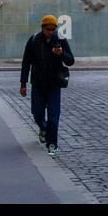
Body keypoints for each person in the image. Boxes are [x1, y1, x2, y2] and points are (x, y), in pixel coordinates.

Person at [20, 15, 75, 156]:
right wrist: (23, 83)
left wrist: (61, 53)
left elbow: (70, 61)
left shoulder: (60, 40)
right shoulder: (33, 40)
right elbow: (26, 62)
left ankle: (52, 144)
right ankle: (43, 128)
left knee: (53, 116)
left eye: (53, 29)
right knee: (37, 113)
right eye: (48, 29)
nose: (51, 31)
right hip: (38, 84)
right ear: (43, 28)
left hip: (54, 84)